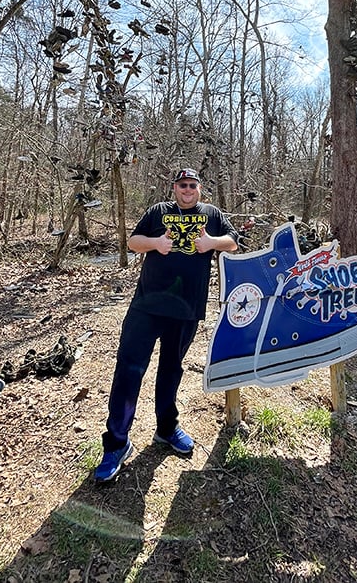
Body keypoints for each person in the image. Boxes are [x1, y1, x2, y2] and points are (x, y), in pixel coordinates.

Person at [95, 167, 238, 481]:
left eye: (192, 185)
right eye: (182, 185)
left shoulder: (211, 214)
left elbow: (233, 243)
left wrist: (211, 243)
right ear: (174, 188)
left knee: (172, 368)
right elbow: (133, 242)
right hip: (147, 304)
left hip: (187, 307)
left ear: (199, 189)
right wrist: (157, 244)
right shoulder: (158, 211)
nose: (187, 190)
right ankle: (117, 442)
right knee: (129, 368)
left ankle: (166, 427)